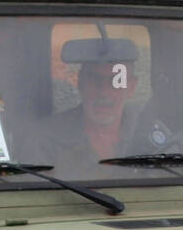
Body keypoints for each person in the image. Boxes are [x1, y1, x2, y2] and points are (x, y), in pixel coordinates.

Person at [33, 39, 144, 175]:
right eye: (95, 80)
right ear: (80, 82)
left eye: (116, 81)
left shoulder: (147, 134)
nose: (103, 92)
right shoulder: (44, 139)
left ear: (132, 86)